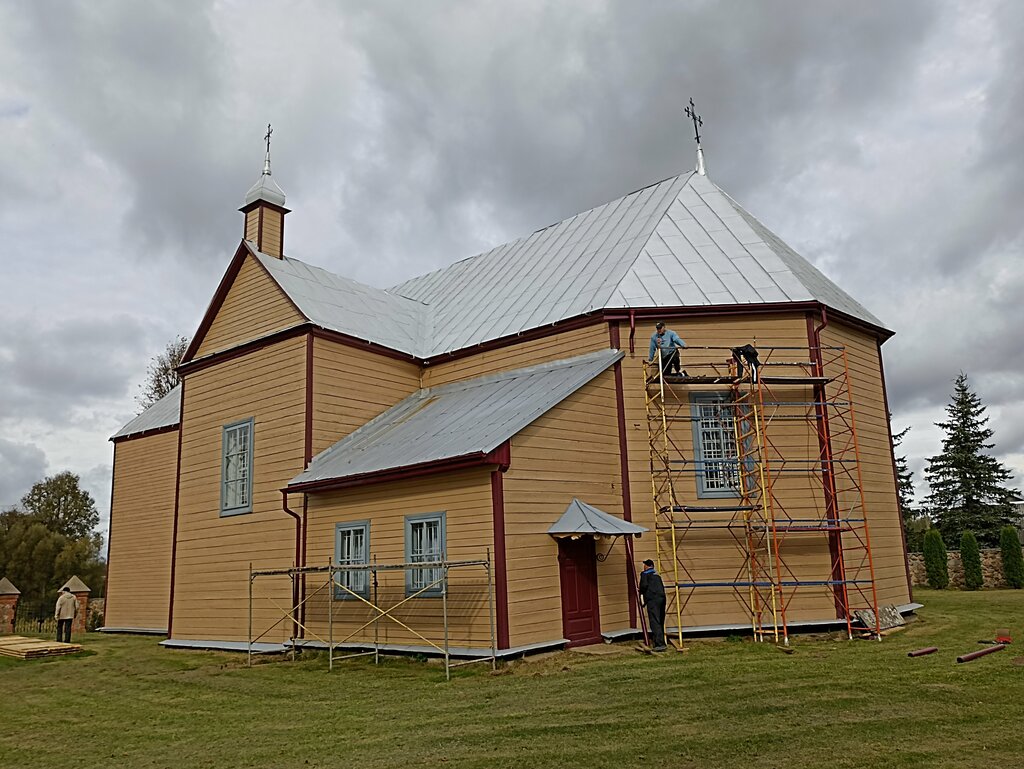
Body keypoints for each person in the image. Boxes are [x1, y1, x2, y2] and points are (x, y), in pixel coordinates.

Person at [638, 559, 667, 651]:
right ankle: (661, 641)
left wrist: (641, 597)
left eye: (644, 565)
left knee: (654, 620)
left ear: (647, 566)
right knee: (660, 620)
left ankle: (659, 644)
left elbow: (643, 586)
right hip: (662, 598)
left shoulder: (645, 574)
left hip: (653, 599)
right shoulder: (657, 575)